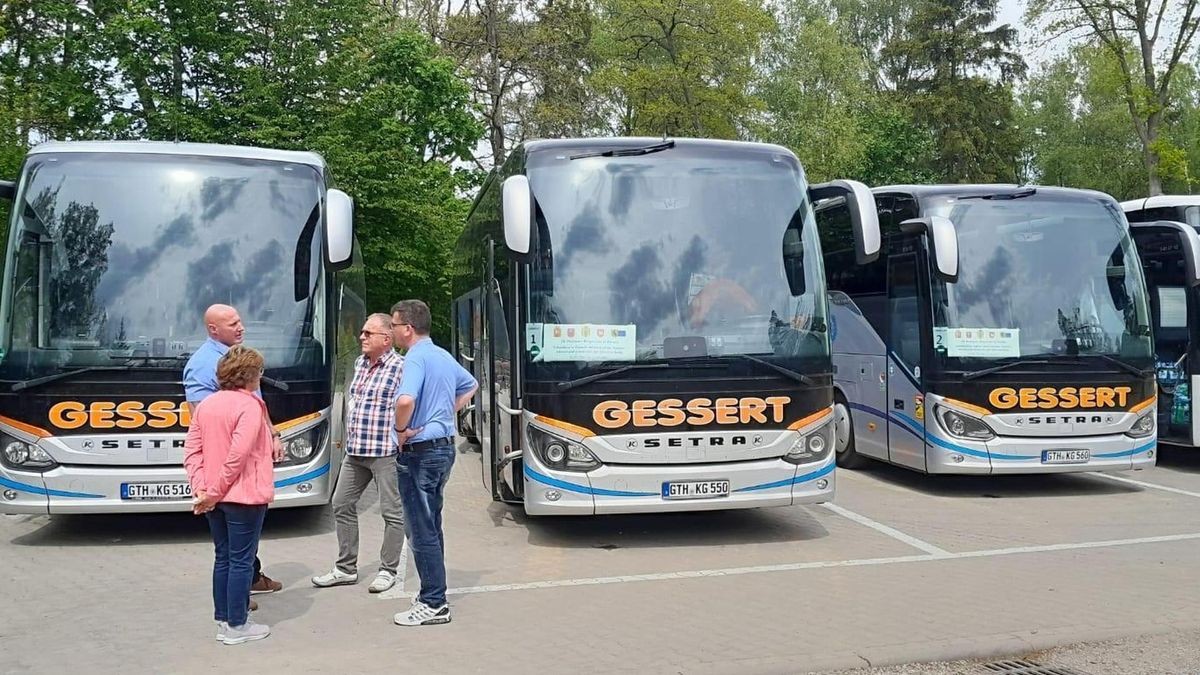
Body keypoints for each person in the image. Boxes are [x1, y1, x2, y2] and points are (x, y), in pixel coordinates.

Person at [183, 304, 284, 606]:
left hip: (229, 480)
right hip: (232, 481)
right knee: (235, 554)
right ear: (213, 329)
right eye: (232, 323)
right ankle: (237, 608)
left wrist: (272, 435)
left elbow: (256, 406)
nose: (241, 327)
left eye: (240, 321)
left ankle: (232, 604)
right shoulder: (204, 364)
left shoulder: (238, 362)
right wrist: (210, 491)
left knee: (231, 553)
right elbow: (206, 429)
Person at [389, 299, 477, 627]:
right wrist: (445, 413)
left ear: (408, 328)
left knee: (420, 527)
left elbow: (405, 400)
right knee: (432, 522)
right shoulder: (441, 355)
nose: (392, 331)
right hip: (442, 448)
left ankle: (433, 602)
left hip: (420, 452)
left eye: (394, 326)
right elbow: (471, 384)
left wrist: (400, 430)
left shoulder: (415, 358)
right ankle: (433, 591)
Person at [185, 345, 276, 645]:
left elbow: (192, 450)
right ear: (250, 375)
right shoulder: (250, 406)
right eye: (260, 371)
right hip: (243, 496)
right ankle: (238, 624)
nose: (261, 376)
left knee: (223, 557)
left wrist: (202, 488)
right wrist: (214, 491)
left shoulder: (206, 405)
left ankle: (223, 620)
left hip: (213, 497)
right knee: (241, 561)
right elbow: (238, 455)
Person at [311, 313, 406, 593]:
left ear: (386, 339)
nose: (361, 337)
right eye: (363, 332)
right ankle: (345, 568)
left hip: (385, 452)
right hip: (355, 451)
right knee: (341, 503)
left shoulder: (401, 367)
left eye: (368, 333)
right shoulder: (360, 363)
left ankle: (388, 570)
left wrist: (406, 433)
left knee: (392, 512)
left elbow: (412, 402)